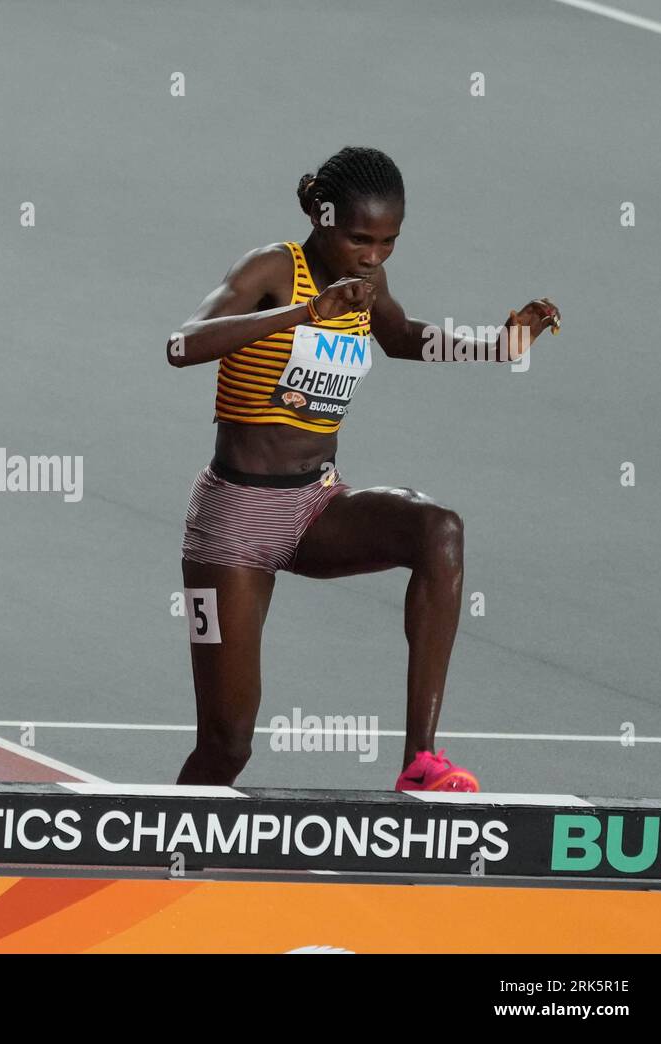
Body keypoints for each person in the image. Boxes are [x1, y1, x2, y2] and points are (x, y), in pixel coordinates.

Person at [168, 146, 560, 790]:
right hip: (232, 523)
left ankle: (421, 762)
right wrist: (304, 313)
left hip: (315, 505)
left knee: (438, 529)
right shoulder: (272, 267)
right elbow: (180, 345)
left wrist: (501, 345)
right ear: (322, 219)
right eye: (359, 238)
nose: (373, 256)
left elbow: (403, 339)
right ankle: (166, 862)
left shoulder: (367, 285)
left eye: (388, 242)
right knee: (227, 744)